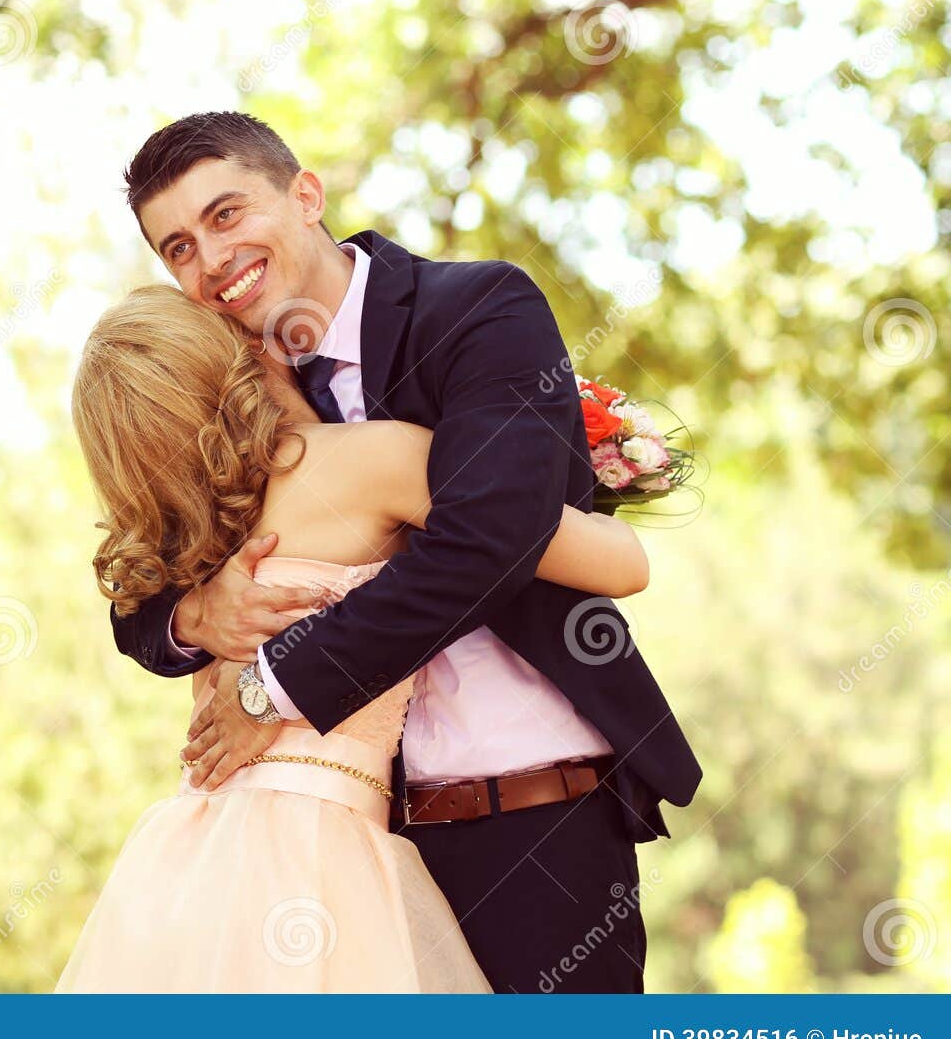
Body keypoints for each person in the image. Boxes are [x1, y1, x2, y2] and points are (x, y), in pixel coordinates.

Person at [104, 112, 701, 992]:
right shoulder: (222, 389)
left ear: (306, 195)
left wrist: (274, 680)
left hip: (530, 810)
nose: (211, 258)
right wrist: (194, 613)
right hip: (350, 845)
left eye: (226, 215)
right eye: (179, 248)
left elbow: (486, 540)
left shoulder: (478, 310)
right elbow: (142, 580)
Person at [57, 287, 649, 991]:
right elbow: (619, 562)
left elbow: (138, 614)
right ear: (238, 351)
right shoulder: (374, 460)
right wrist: (577, 473)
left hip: (191, 862)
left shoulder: (180, 549)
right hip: (323, 855)